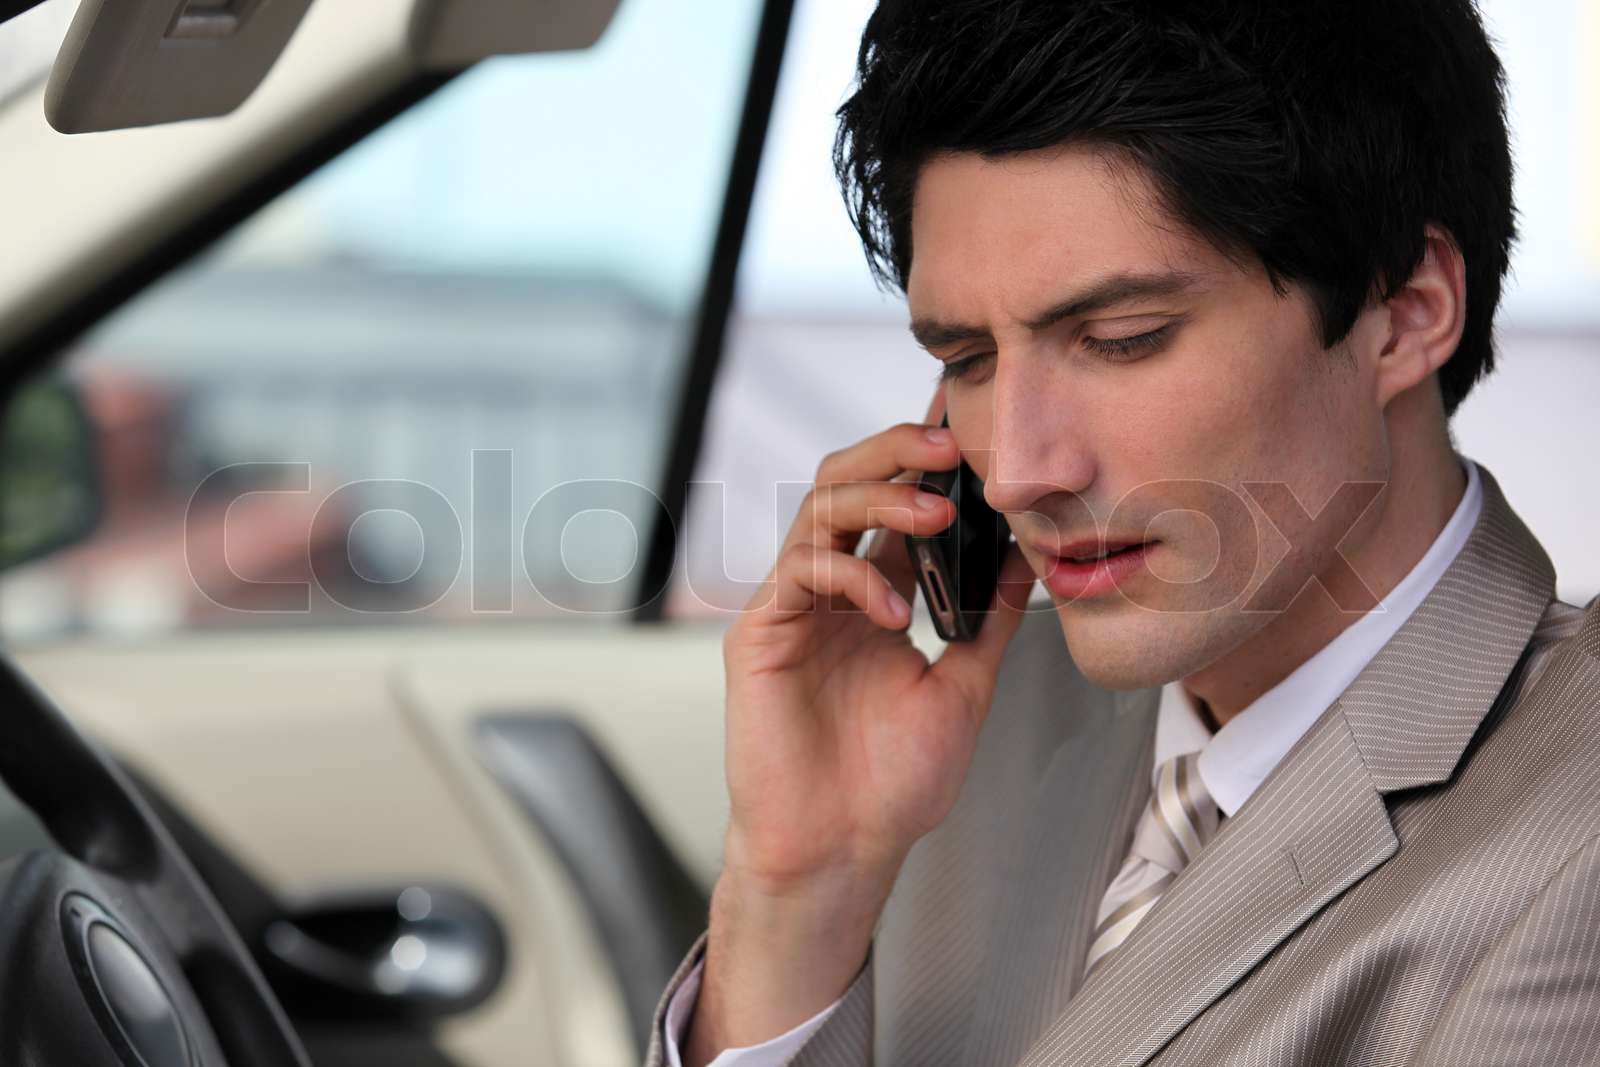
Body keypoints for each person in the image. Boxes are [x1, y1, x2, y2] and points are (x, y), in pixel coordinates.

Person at [650, 1, 1600, 1064]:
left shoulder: (1574, 838)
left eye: (1121, 339)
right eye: (968, 360)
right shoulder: (982, 722)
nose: (1014, 468)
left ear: (1410, 309)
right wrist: (798, 887)